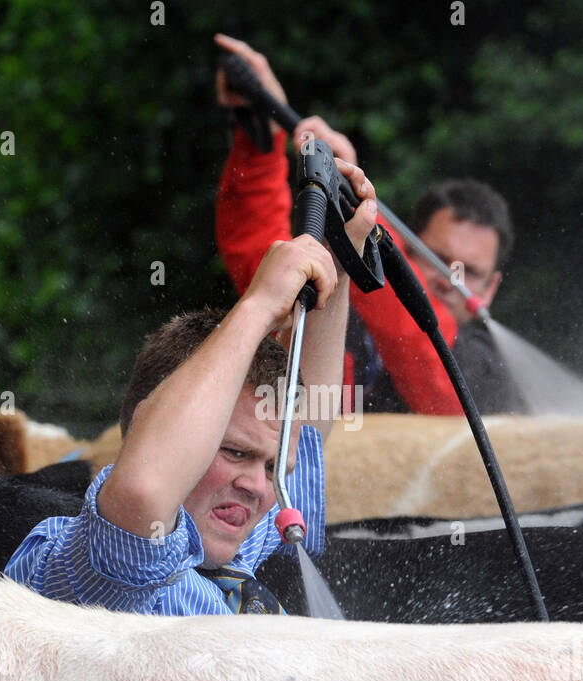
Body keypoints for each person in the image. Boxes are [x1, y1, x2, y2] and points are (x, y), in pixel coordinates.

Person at [5, 158, 378, 616]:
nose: (262, 489)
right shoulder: (96, 571)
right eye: (235, 452)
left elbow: (309, 427)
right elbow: (144, 488)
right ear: (150, 424)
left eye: (272, 465)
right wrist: (259, 304)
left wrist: (336, 266)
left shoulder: (235, 525)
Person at [214, 33, 523, 416]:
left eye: (470, 272)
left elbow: (427, 357)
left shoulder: (487, 369)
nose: (450, 277)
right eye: (437, 258)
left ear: (490, 290)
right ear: (406, 251)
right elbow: (262, 263)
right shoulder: (336, 311)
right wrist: (260, 137)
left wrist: (349, 208)